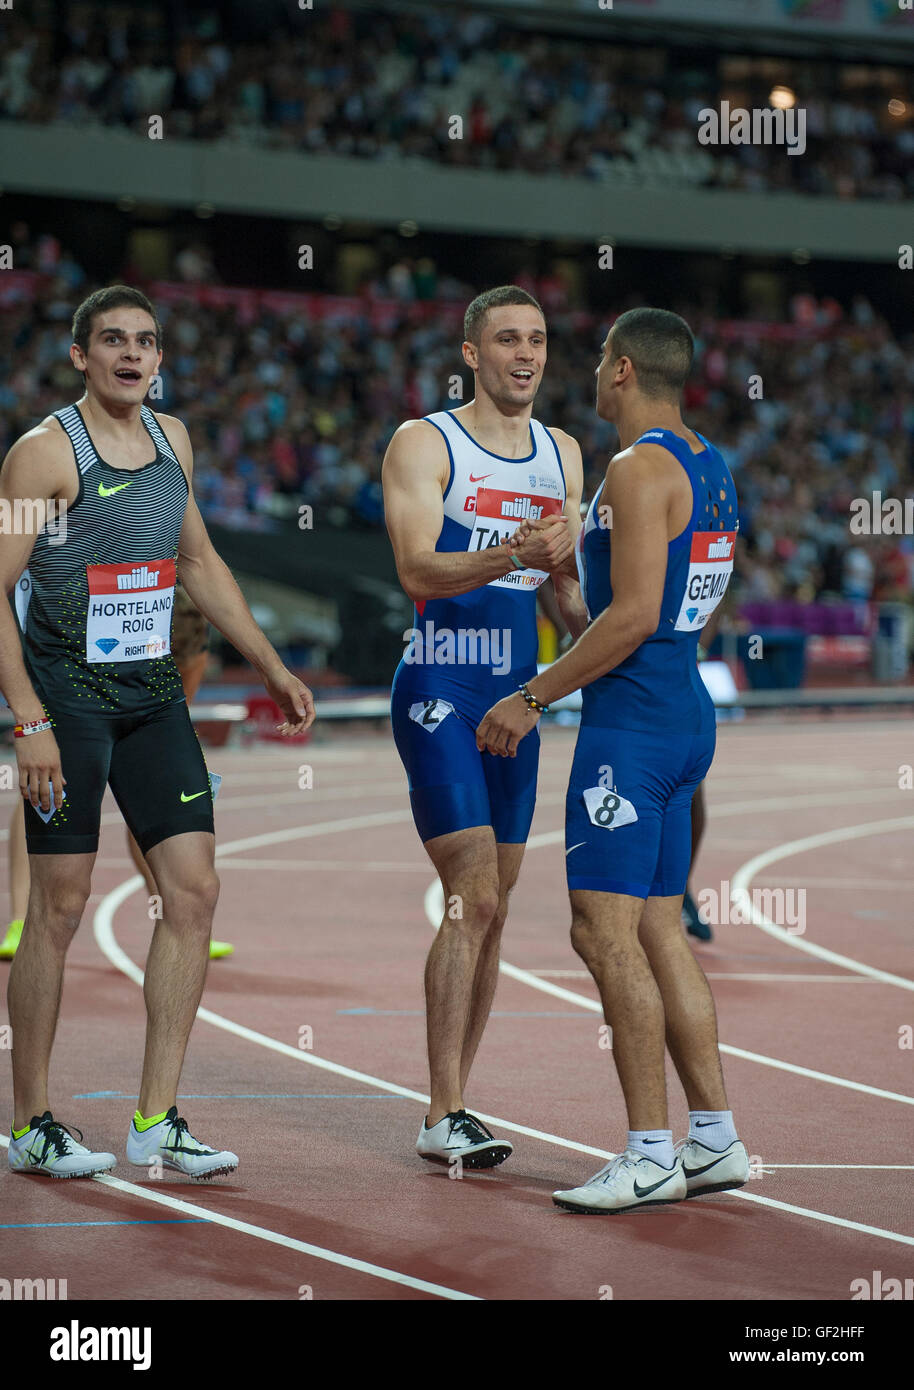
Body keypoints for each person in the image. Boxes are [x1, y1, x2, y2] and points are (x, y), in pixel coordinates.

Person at [2, 285, 314, 1180]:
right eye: (112, 342)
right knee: (57, 909)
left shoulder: (174, 440)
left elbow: (198, 561)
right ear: (80, 357)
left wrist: (269, 663)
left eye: (145, 342)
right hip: (66, 700)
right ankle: (31, 1124)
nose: (131, 356)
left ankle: (155, 1119)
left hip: (150, 697)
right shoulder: (42, 456)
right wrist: (29, 721)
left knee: (194, 892)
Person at [477, 307, 749, 1213]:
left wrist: (532, 695)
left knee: (601, 932)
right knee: (659, 927)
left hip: (629, 733)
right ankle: (713, 1138)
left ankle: (648, 1152)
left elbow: (630, 616)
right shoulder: (709, 461)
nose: (590, 373)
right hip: (681, 714)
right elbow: (662, 603)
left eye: (598, 359)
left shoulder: (636, 469)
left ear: (624, 370)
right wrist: (570, 593)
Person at [383, 285, 586, 1169]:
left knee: (496, 911)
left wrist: (608, 634)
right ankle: (442, 1108)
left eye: (537, 340)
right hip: (440, 685)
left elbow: (565, 591)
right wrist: (515, 551)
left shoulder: (565, 455)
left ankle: (454, 1106)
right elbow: (416, 569)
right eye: (507, 339)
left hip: (518, 697)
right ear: (472, 351)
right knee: (475, 889)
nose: (525, 354)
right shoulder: (426, 442)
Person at [0, 588, 235, 961]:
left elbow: (179, 707)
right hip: (71, 673)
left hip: (147, 690)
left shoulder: (192, 642)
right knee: (43, 784)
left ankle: (179, 910)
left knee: (157, 806)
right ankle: (20, 920)